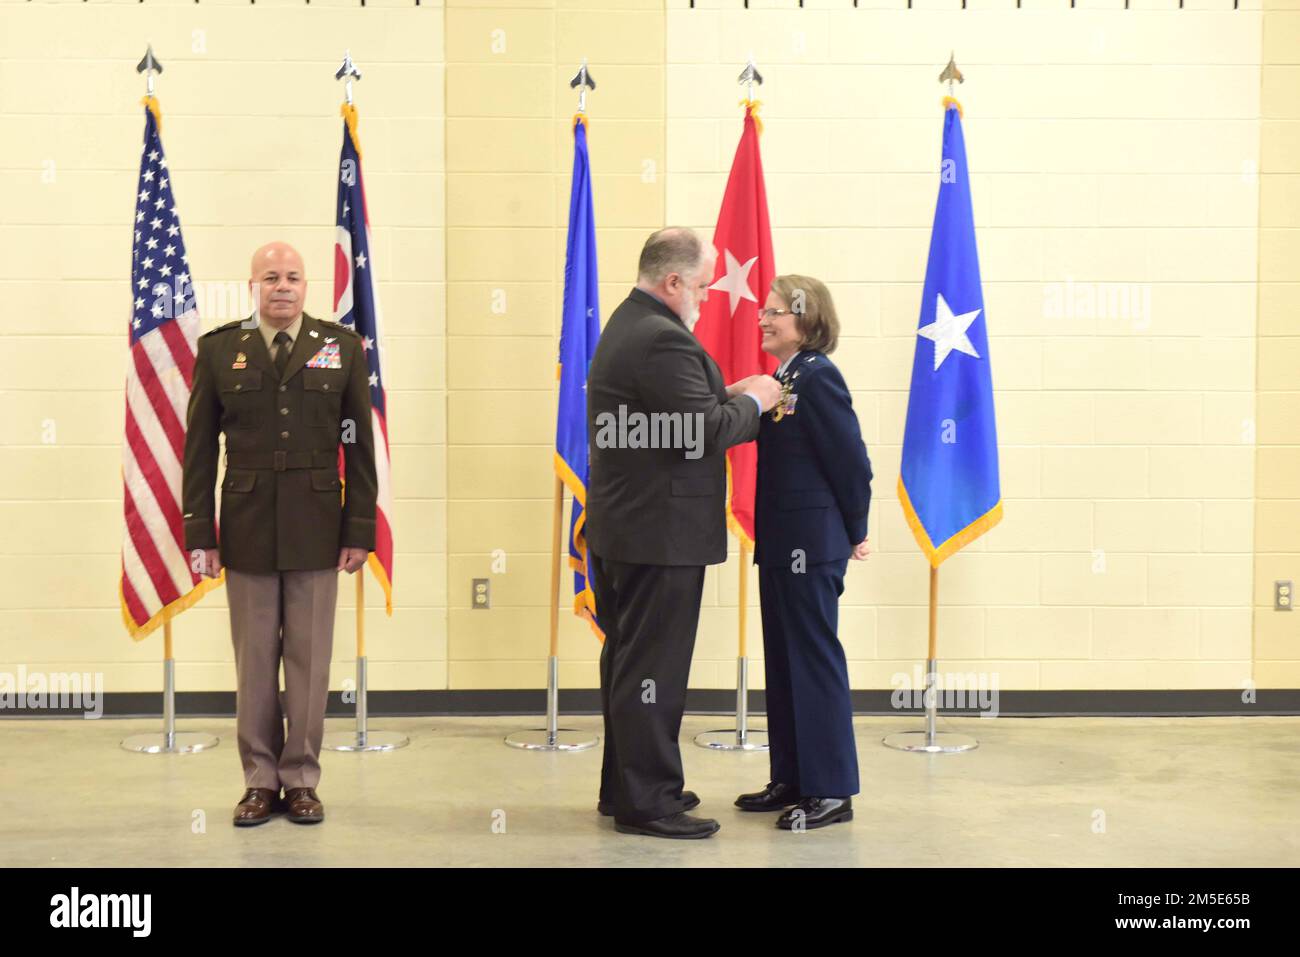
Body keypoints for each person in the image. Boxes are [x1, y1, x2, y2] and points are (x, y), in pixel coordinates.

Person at [585, 227, 782, 839]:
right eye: (699, 285)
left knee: (628, 662)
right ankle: (649, 802)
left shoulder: (632, 324)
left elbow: (671, 416)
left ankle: (629, 786)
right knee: (653, 670)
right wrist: (758, 401)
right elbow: (700, 431)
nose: (704, 296)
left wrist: (728, 393)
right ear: (672, 282)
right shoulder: (660, 340)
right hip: (657, 533)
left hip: (631, 527)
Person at [182, 241, 377, 827]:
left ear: (306, 285)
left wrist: (360, 528)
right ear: (253, 286)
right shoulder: (220, 352)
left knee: (310, 662)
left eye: (293, 277)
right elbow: (197, 449)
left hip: (319, 528)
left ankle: (301, 780)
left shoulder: (340, 348)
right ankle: (259, 781)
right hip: (245, 528)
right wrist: (200, 531)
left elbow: (359, 447)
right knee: (255, 663)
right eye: (271, 277)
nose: (283, 287)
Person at [736, 274, 872, 831]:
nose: (763, 319)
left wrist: (855, 529)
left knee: (813, 663)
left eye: (775, 312)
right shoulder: (785, 378)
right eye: (763, 311)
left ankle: (832, 790)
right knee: (786, 662)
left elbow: (852, 463)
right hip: (783, 546)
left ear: (807, 319)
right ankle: (792, 778)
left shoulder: (818, 378)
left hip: (812, 548)